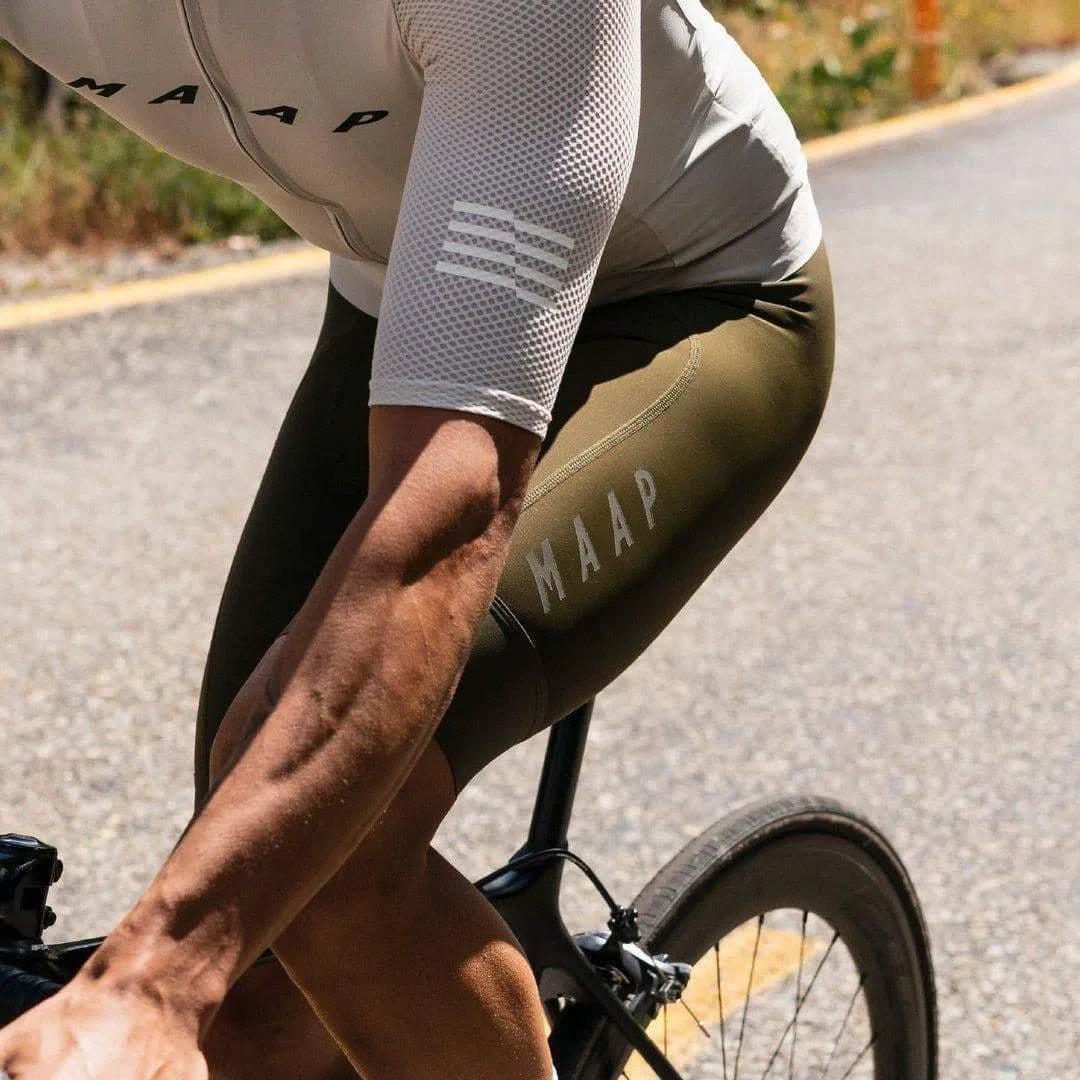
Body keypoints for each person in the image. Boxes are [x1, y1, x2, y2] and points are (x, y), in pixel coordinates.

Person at [0, 0, 834, 1076]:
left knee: (324, 846)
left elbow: (448, 514)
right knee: (256, 932)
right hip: (407, 283)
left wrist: (152, 982)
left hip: (690, 290)